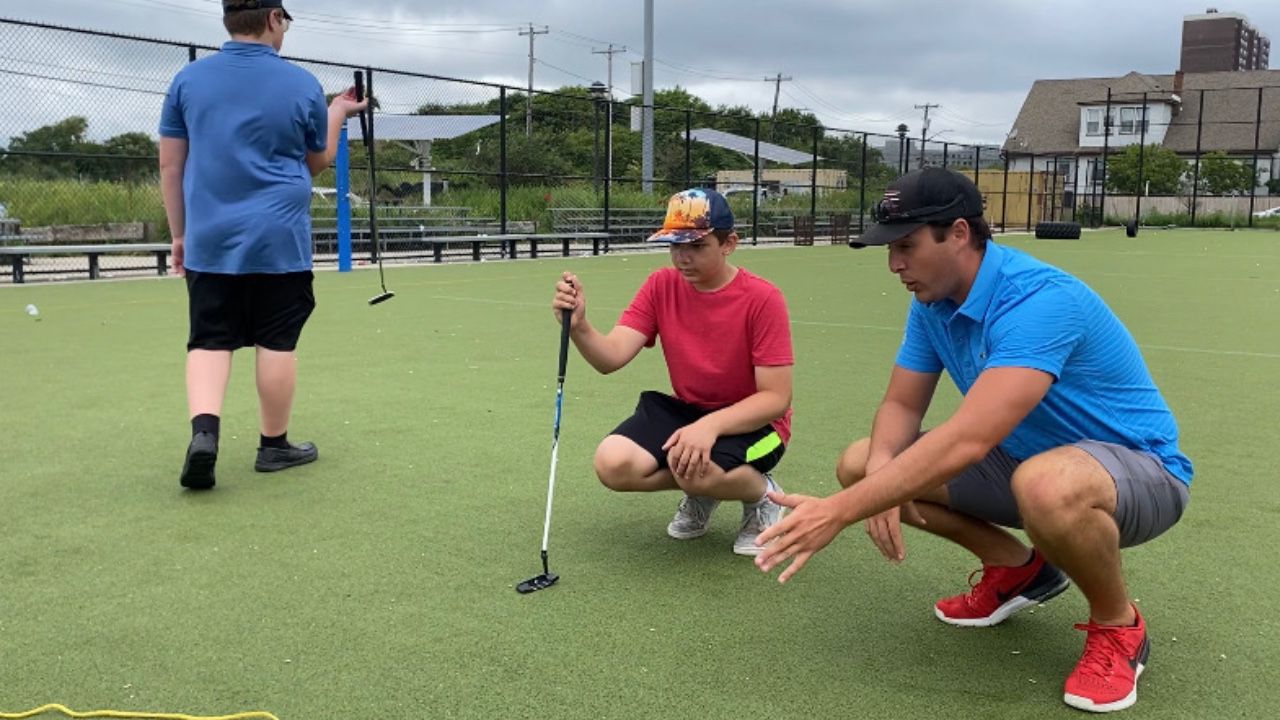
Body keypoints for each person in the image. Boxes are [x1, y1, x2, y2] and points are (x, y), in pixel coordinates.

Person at [754, 168, 1192, 713]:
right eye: (890, 249)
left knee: (1046, 485)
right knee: (862, 462)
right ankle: (1019, 570)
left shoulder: (1040, 300)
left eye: (906, 246)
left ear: (959, 233)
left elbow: (969, 439)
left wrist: (840, 511)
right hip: (1024, 462)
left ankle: (1118, 624)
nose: (894, 264)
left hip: (1141, 474)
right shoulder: (931, 305)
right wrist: (876, 480)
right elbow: (902, 405)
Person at [159, 0, 366, 490]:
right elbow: (316, 160)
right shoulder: (300, 84)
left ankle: (204, 435)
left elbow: (170, 165)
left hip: (211, 238)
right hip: (279, 238)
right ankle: (274, 446)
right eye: (285, 21)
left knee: (209, 338)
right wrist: (338, 110)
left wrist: (180, 235)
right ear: (274, 18)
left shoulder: (188, 80)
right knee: (277, 340)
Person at [551, 188, 794, 556]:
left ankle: (763, 495)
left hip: (760, 426)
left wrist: (709, 428)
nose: (683, 257)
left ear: (728, 244)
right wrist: (580, 326)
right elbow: (610, 357)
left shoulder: (763, 298)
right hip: (689, 411)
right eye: (675, 245)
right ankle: (704, 488)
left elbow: (776, 398)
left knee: (696, 468)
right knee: (613, 464)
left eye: (696, 245)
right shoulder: (660, 286)